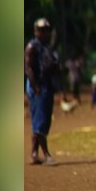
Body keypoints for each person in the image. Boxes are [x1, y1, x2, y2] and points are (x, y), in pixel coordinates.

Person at [25, 18, 60, 165]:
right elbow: (28, 68)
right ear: (35, 31)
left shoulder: (46, 47)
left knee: (43, 120)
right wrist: (35, 86)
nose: (44, 32)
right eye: (41, 30)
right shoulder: (32, 46)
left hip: (47, 86)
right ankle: (46, 155)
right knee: (40, 121)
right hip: (38, 87)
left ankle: (34, 153)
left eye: (46, 30)